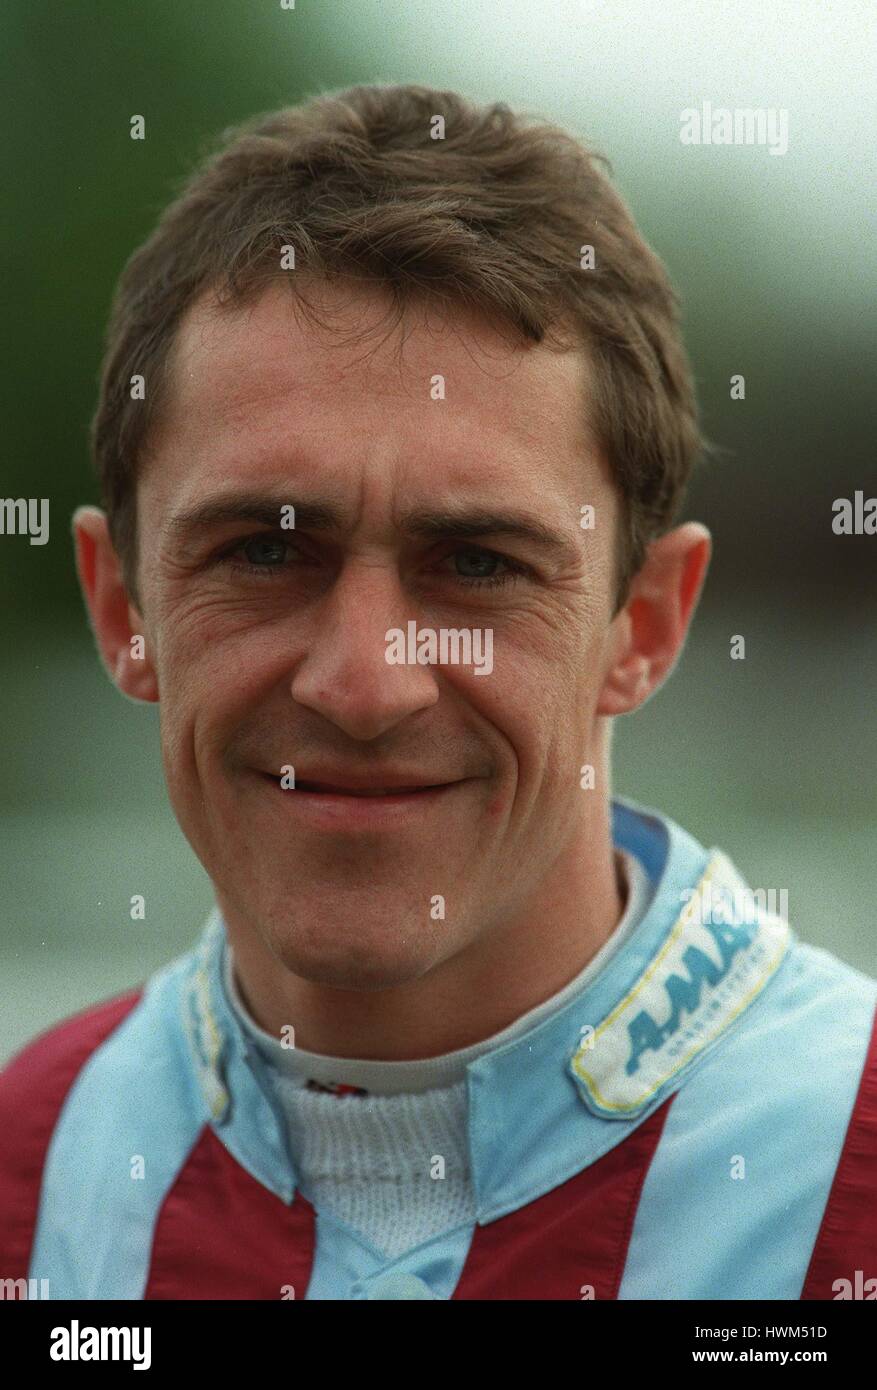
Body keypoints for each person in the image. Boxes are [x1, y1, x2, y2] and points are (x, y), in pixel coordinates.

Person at [1, 84, 874, 1301]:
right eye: (265, 549)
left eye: (476, 564)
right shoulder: (27, 1181)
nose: (364, 685)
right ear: (121, 608)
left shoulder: (847, 1178)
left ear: (645, 624)